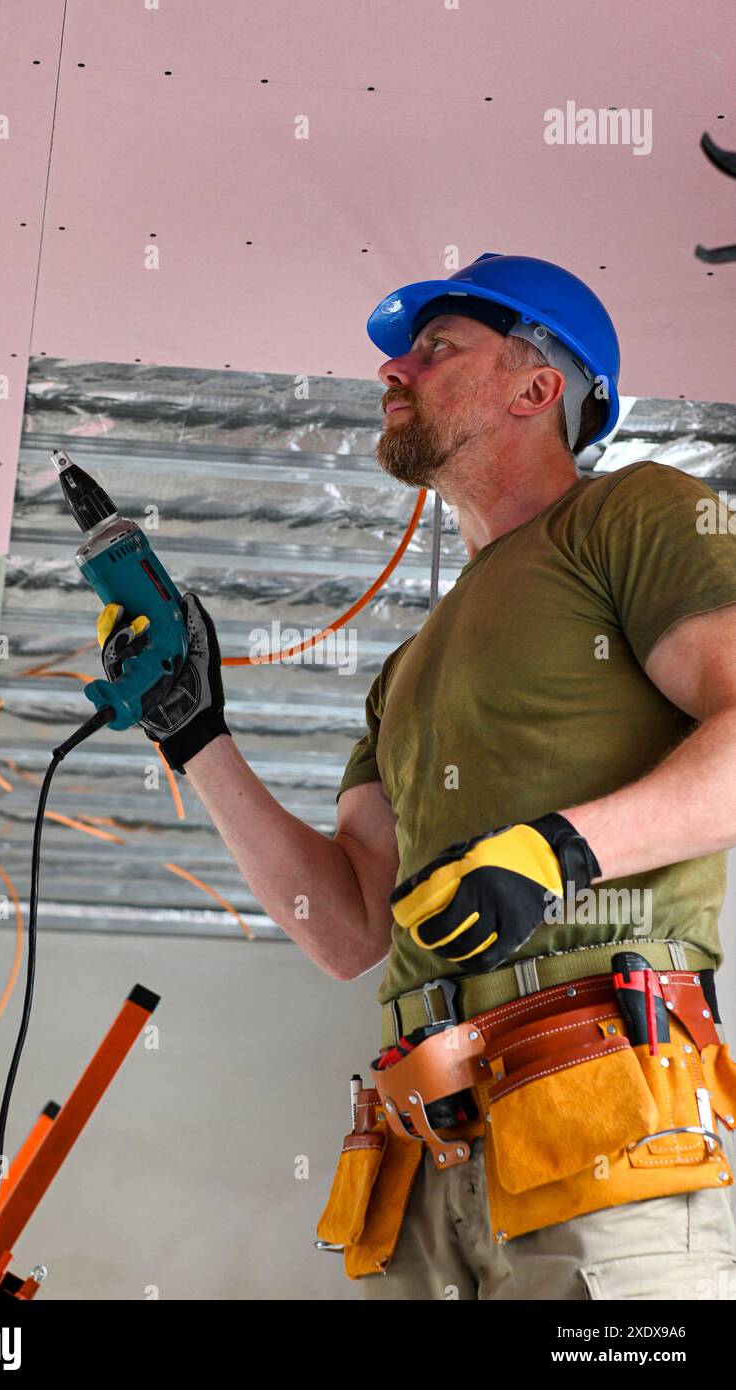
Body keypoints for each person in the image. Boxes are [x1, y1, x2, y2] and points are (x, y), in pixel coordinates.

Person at [96, 253, 736, 1300]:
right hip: (426, 1147)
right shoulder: (402, 674)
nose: (394, 369)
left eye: (436, 348)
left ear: (537, 386)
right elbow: (346, 927)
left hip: (605, 1117)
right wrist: (193, 733)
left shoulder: (627, 518)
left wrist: (561, 851)